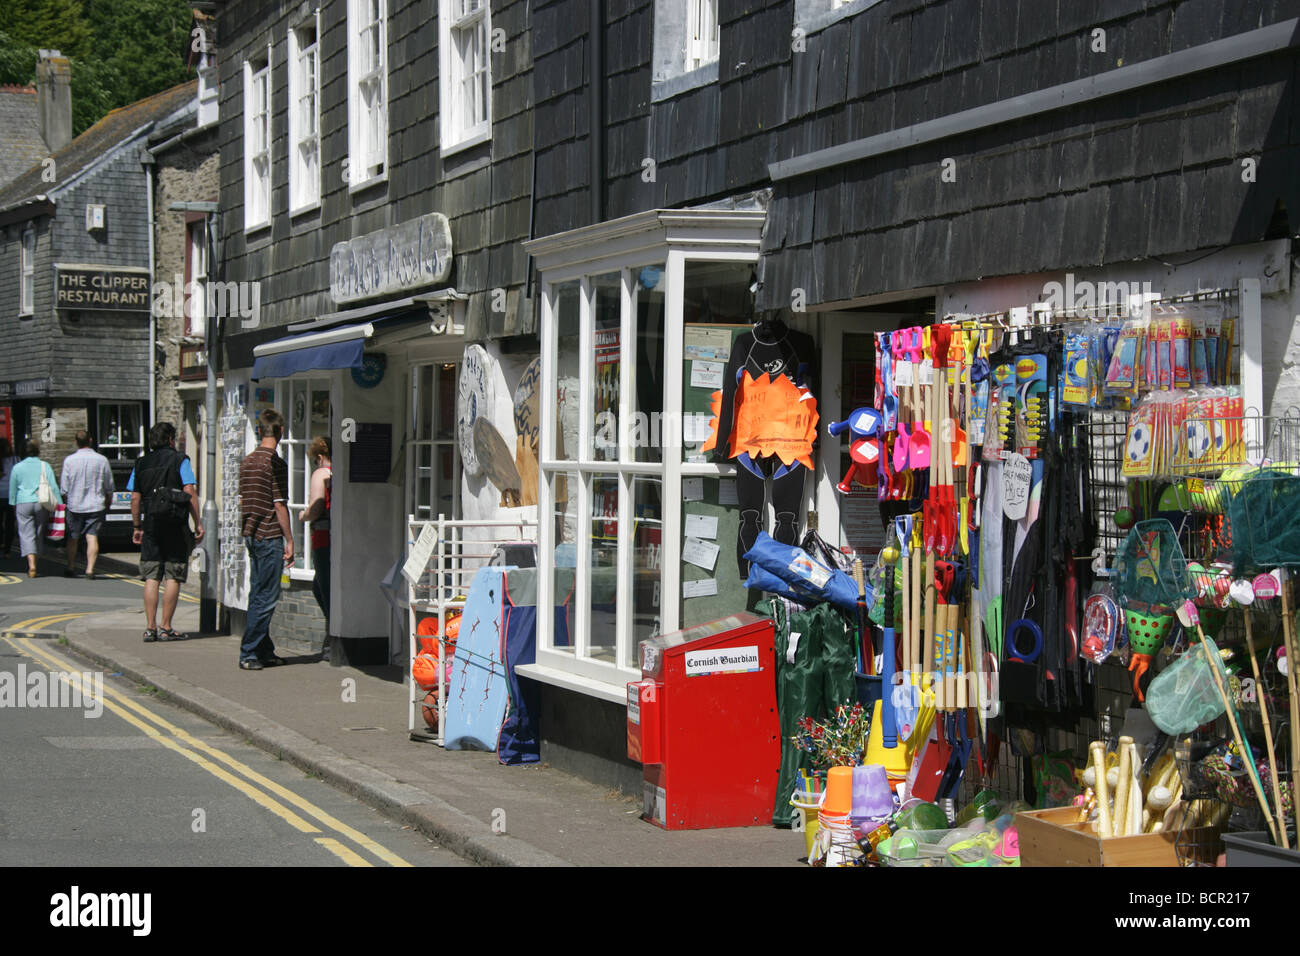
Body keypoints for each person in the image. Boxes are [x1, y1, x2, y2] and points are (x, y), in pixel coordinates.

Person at [129, 422, 204, 642]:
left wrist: (136, 526)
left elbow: (135, 498)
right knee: (173, 574)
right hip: (175, 523)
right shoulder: (180, 459)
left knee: (152, 575)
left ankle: (150, 627)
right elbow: (189, 490)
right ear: (171, 439)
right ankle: (166, 627)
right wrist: (197, 522)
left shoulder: (140, 463)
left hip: (151, 524)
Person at [237, 408, 293, 671]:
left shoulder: (247, 461)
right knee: (267, 597)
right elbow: (279, 505)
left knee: (257, 593)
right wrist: (290, 541)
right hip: (270, 536)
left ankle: (264, 651)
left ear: (260, 430)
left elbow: (244, 499)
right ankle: (248, 652)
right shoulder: (275, 463)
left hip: (250, 534)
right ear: (280, 431)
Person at [60, 429, 115, 579]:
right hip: (96, 504)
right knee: (92, 537)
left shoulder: (69, 461)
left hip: (75, 504)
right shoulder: (102, 460)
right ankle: (90, 570)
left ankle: (70, 567)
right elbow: (109, 484)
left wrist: (66, 500)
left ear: (76, 442)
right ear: (90, 440)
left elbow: (64, 488)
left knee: (73, 537)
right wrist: (109, 499)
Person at [8, 439, 62, 578]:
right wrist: (60, 504)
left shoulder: (17, 467)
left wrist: (13, 504)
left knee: (26, 533)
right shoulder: (45, 465)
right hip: (41, 502)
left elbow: (13, 489)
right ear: (37, 450)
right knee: (38, 532)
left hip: (23, 502)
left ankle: (31, 565)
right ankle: (36, 562)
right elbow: (54, 486)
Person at [298, 436, 332, 634]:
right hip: (334, 536)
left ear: (320, 456)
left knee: (322, 590)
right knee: (322, 586)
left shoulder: (321, 473)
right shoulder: (337, 473)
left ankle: (332, 638)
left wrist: (305, 515)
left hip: (321, 536)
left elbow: (318, 503)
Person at [0, 437, 18, 556]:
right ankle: (7, 549)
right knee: (10, 523)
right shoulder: (15, 460)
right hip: (12, 496)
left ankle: (1, 542)